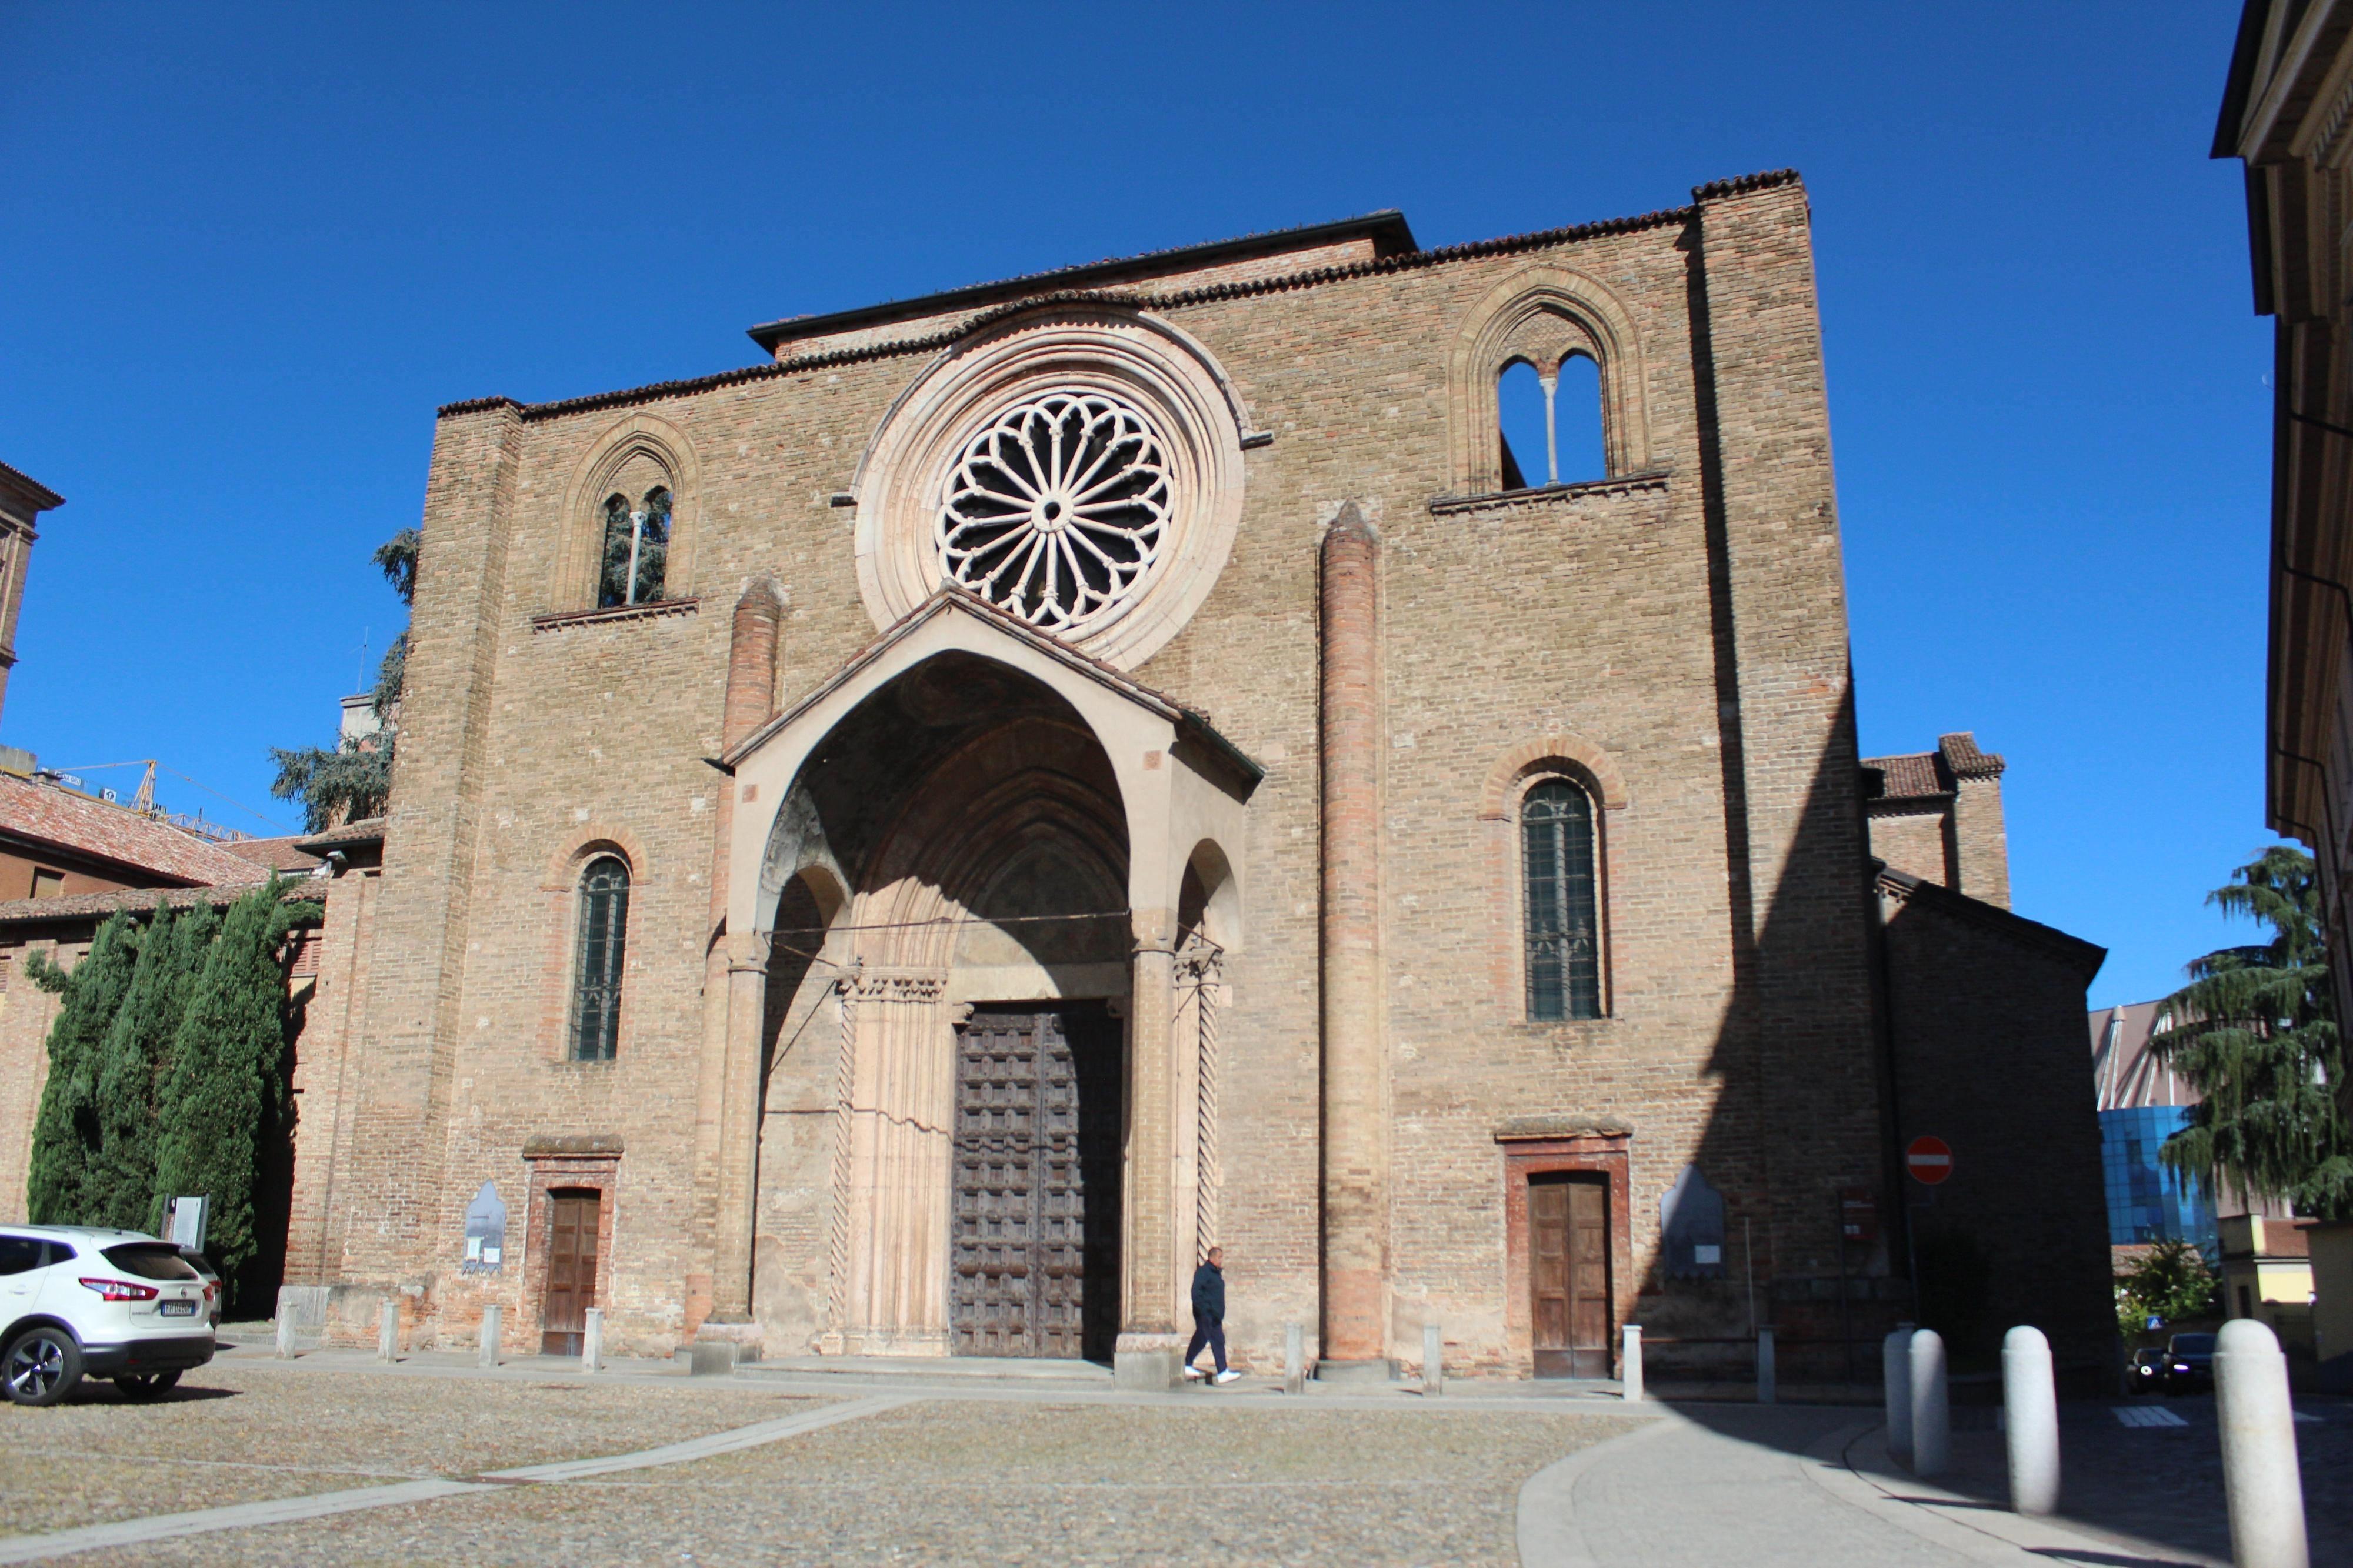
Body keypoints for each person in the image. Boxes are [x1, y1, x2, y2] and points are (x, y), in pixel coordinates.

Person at [1184, 1246, 1239, 1383]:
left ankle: (1222, 1372)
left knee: (1219, 1342)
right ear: (1213, 1258)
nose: (1221, 1260)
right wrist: (1204, 1310)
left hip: (1215, 1316)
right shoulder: (1204, 1272)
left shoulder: (1215, 1274)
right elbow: (1196, 1293)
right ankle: (1187, 1363)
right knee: (1201, 1338)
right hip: (1206, 1314)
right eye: (1220, 1258)